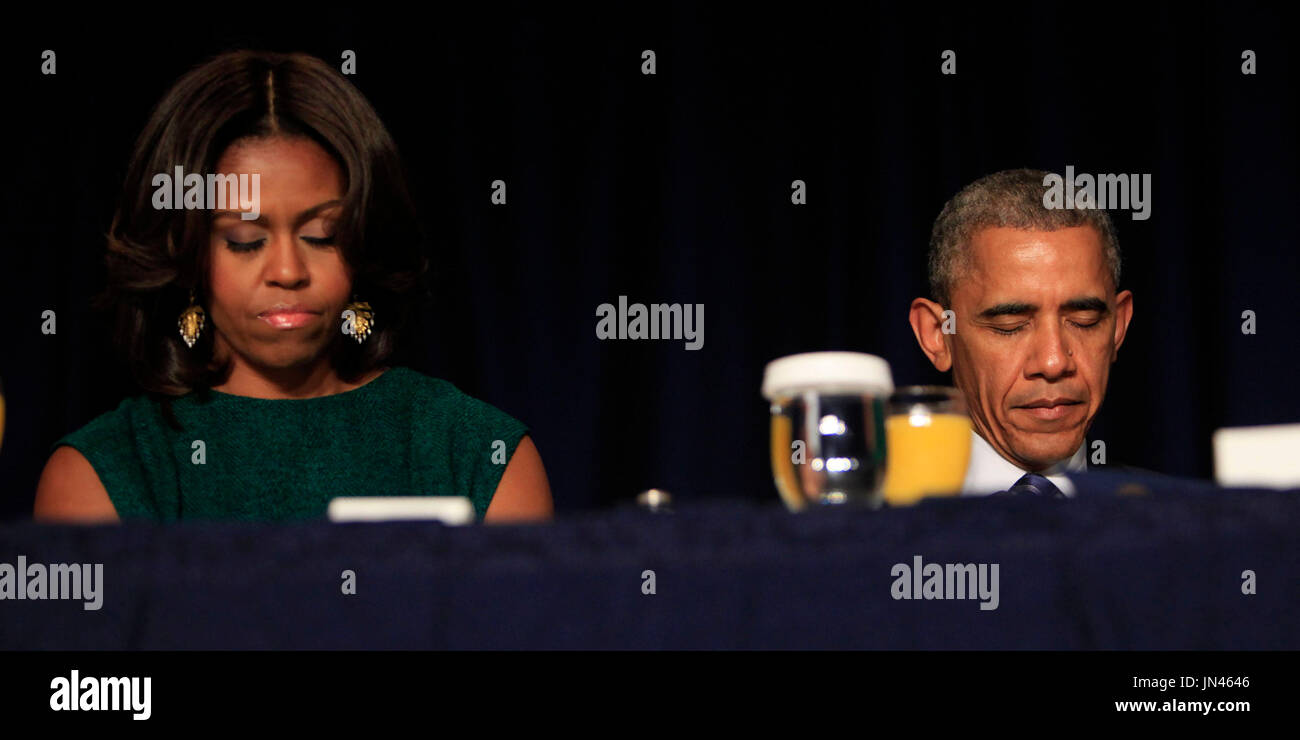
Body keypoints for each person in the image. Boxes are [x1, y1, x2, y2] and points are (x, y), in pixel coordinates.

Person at [34, 50, 553, 523]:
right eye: (244, 239)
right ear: (184, 252)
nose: (287, 269)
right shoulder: (104, 471)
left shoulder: (477, 452)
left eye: (321, 235)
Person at [907, 169, 1135, 497]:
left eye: (1084, 320)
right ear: (937, 334)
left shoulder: (1182, 528)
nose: (1054, 362)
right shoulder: (862, 529)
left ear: (1118, 326)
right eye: (1010, 325)